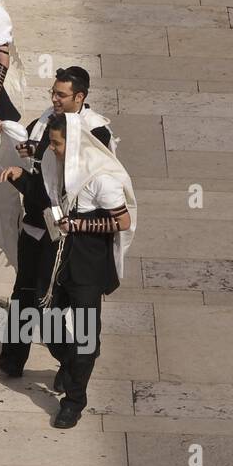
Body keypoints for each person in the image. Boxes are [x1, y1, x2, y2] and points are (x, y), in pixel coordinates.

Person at [0, 67, 116, 379]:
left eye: (61, 95)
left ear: (80, 97)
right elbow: (39, 159)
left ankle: (71, 363)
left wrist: (25, 173)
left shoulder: (95, 132)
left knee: (51, 305)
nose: (54, 99)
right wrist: (25, 150)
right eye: (53, 93)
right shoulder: (43, 121)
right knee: (24, 293)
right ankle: (12, 358)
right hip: (34, 224)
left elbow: (67, 180)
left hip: (66, 235)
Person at [37, 112, 136, 429]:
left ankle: (74, 402)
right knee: (46, 319)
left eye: (57, 143)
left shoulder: (100, 178)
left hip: (89, 265)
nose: (52, 149)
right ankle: (74, 363)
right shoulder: (56, 163)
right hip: (62, 258)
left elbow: (122, 222)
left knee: (85, 335)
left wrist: (79, 223)